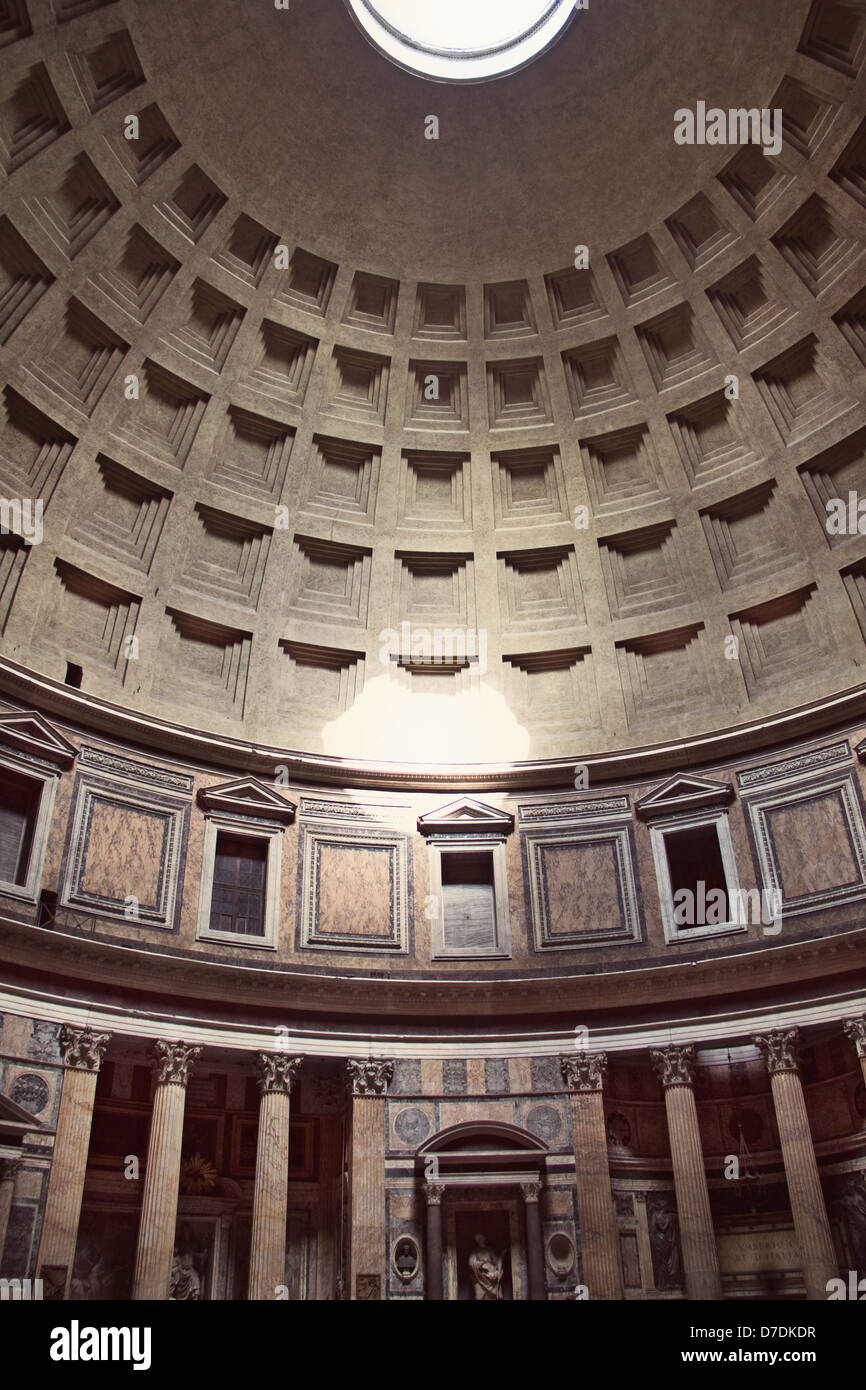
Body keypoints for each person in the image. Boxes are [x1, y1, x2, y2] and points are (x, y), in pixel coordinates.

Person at [468, 1232, 504, 1300]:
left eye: (481, 1238)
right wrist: (481, 1264)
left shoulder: (490, 1250)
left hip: (491, 1277)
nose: (480, 1240)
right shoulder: (475, 1251)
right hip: (480, 1277)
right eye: (478, 1239)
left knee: (493, 1295)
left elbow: (496, 1260)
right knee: (479, 1295)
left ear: (484, 1239)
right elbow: (471, 1262)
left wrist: (497, 1270)